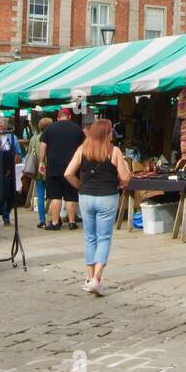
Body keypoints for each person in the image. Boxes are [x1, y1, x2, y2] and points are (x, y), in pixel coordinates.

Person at [63, 119, 131, 295]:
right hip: (107, 196)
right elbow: (125, 177)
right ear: (107, 134)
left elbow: (68, 173)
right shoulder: (114, 151)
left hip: (86, 196)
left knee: (89, 238)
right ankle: (97, 279)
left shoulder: (83, 149)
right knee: (104, 238)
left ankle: (89, 277)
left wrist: (80, 186)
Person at [40, 108, 85, 230]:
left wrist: (41, 162)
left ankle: (55, 222)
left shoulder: (50, 128)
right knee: (71, 195)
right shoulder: (77, 128)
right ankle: (71, 222)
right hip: (72, 168)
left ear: (58, 117)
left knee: (55, 196)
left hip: (54, 167)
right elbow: (83, 147)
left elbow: (43, 146)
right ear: (69, 116)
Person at [0, 115, 22, 228]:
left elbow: (17, 153)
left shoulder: (12, 137)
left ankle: (6, 217)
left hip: (7, 170)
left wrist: (11, 167)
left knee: (6, 194)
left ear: (5, 126)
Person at [23, 116, 52, 228]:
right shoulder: (52, 138)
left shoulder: (34, 139)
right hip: (50, 170)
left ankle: (41, 220)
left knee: (40, 195)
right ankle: (54, 217)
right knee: (54, 195)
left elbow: (29, 154)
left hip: (38, 171)